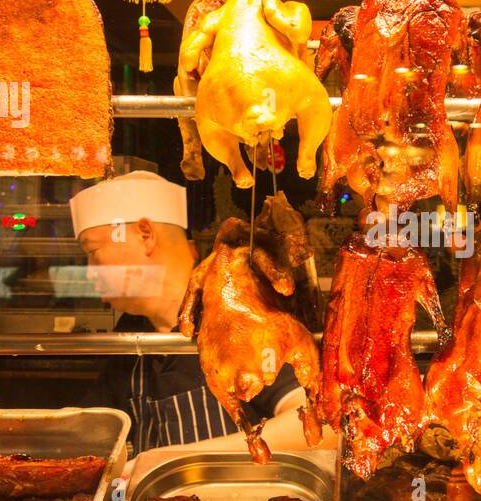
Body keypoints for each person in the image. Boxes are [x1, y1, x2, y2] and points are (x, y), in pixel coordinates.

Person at [70, 170, 305, 455]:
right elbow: (88, 433)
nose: (88, 270)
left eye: (93, 251)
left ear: (146, 236)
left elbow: (312, 427)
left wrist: (171, 460)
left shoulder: (236, 314)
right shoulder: (131, 335)